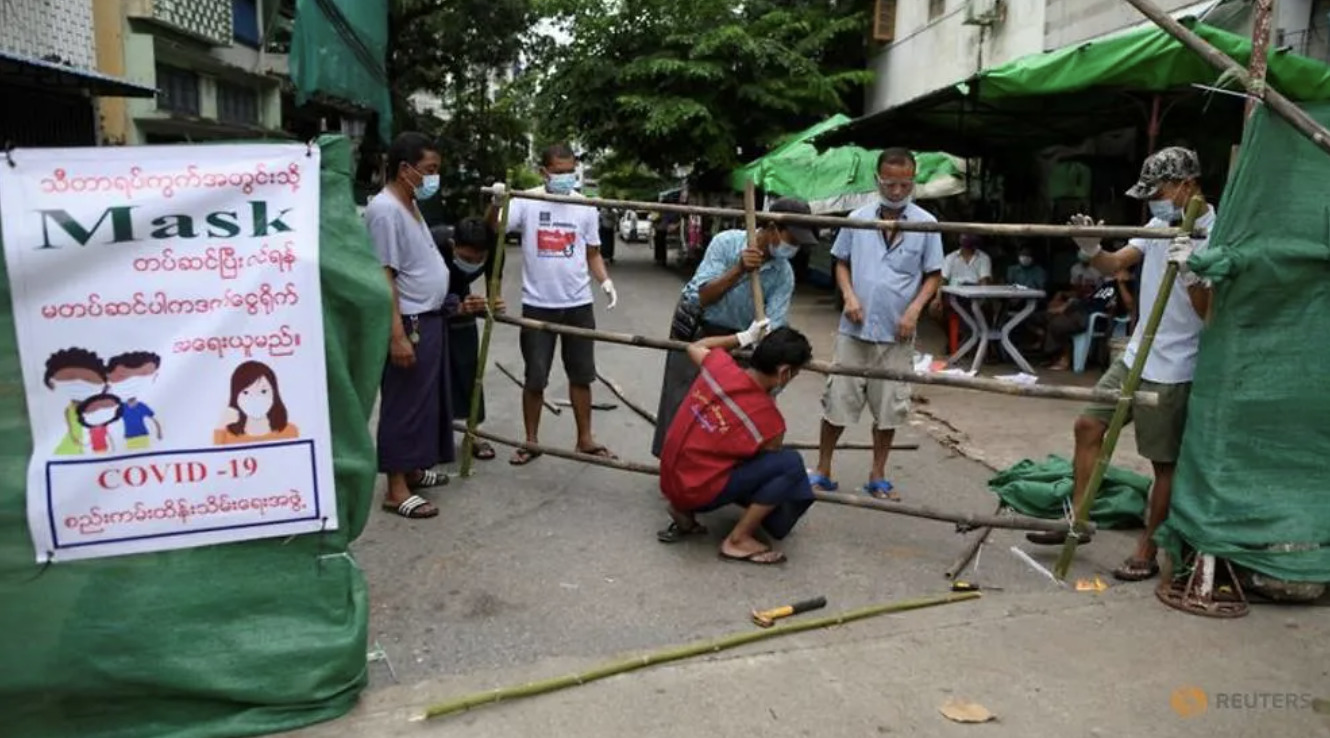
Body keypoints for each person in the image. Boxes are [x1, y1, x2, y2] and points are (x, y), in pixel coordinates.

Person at [1026, 146, 1214, 583]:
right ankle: (1079, 520)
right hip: (1135, 353)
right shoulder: (1158, 224)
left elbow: (1208, 311)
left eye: (1160, 191)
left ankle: (1148, 547)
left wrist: (1191, 271)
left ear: (1186, 185)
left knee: (1162, 461)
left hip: (1175, 363)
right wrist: (1091, 249)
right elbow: (1115, 263)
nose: (1153, 201)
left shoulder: (1213, 230)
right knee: (1088, 426)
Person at [810, 148, 943, 501]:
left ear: (913, 181)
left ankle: (878, 475)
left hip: (897, 332)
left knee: (889, 408)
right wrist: (849, 295)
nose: (897, 190)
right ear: (877, 180)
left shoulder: (927, 224)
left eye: (904, 184)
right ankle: (823, 469)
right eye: (890, 183)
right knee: (837, 399)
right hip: (854, 328)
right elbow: (840, 262)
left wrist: (915, 309)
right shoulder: (858, 217)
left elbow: (933, 275)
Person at [649, 197, 818, 458]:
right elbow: (704, 296)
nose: (793, 247)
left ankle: (711, 466)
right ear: (773, 228)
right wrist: (739, 269)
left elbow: (773, 323)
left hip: (741, 339)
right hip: (699, 326)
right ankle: (673, 461)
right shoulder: (727, 242)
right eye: (791, 239)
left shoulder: (783, 273)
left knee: (724, 407)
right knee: (682, 397)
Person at [488, 143, 617, 465]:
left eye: (569, 171)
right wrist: (495, 203)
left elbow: (592, 252)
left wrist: (605, 281)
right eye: (558, 173)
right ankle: (530, 441)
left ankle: (585, 439)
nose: (565, 178)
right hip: (538, 303)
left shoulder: (585, 205)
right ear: (543, 172)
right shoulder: (528, 200)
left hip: (578, 303)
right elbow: (496, 227)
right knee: (535, 377)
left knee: (582, 375)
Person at [656, 324, 816, 565]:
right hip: (695, 490)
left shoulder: (719, 366)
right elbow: (767, 461)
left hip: (668, 479)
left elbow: (696, 346)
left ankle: (683, 510)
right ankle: (738, 539)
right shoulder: (770, 420)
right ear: (784, 372)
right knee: (790, 465)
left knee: (711, 448)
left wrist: (742, 337)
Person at [367, 132, 453, 519]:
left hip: (429, 317)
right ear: (406, 169)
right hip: (410, 322)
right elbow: (385, 276)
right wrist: (396, 334)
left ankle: (415, 469)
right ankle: (396, 489)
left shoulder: (409, 205)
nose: (434, 178)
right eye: (429, 170)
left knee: (424, 403)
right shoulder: (385, 210)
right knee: (404, 404)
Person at [433, 217, 506, 460]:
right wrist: (449, 307)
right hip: (431, 302)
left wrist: (492, 300)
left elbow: (493, 282)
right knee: (434, 373)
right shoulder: (434, 243)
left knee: (469, 370)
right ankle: (434, 434)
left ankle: (474, 432)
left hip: (462, 298)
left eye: (478, 260)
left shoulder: (493, 252)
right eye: (466, 258)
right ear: (454, 245)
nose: (472, 263)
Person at [1033, 264, 1136, 371]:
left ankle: (1063, 359)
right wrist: (1067, 305)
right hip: (1079, 309)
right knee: (1039, 317)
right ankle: (1051, 352)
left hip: (1091, 317)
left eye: (1120, 270)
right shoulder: (1108, 284)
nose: (1116, 272)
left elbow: (1130, 306)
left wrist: (1121, 284)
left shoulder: (1130, 286)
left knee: (1057, 324)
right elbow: (1089, 299)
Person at [214, 360, 300, 445]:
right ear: (235, 397)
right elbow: (215, 456)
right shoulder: (226, 436)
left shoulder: (290, 432)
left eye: (263, 391)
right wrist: (220, 425)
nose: (255, 398)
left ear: (274, 393)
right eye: (246, 392)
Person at [107, 352, 163, 450]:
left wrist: (159, 432)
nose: (130, 384)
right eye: (122, 377)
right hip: (129, 438)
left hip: (143, 436)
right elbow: (111, 422)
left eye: (142, 375)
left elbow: (154, 419)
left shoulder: (141, 406)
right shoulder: (122, 407)